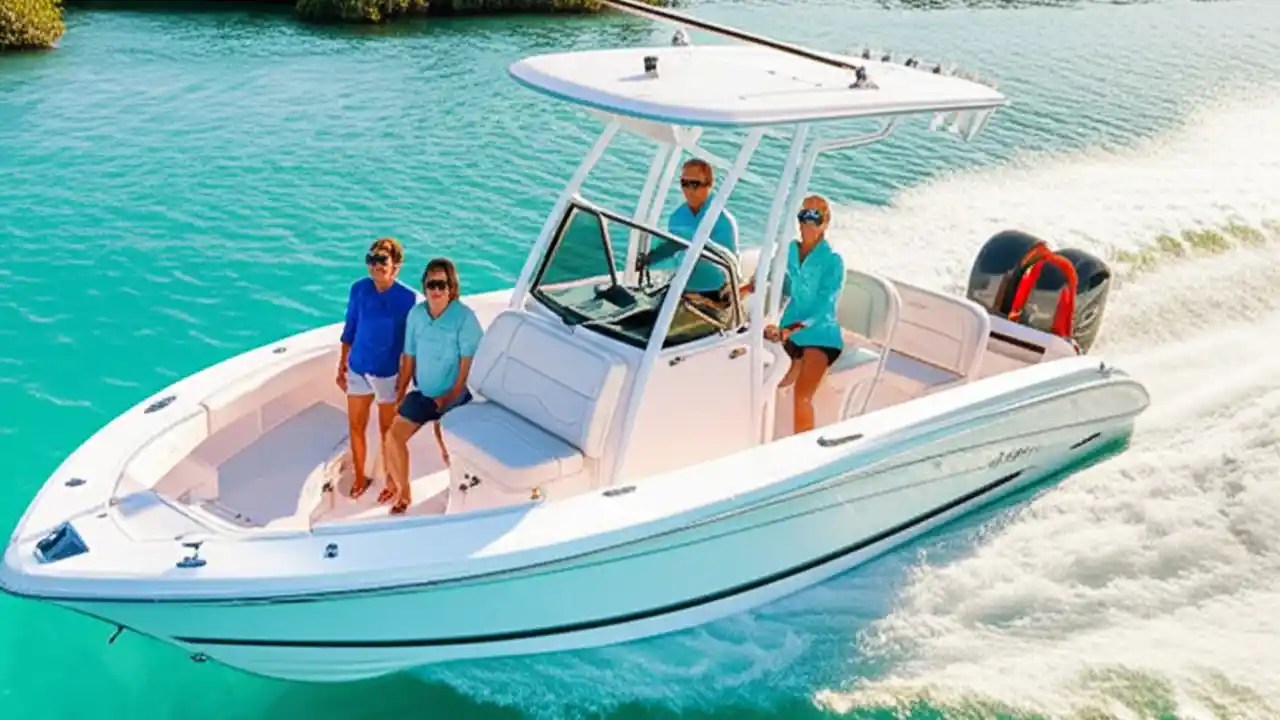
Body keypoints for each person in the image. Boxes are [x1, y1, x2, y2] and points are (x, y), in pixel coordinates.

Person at [382, 257, 483, 515]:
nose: (436, 290)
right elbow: (409, 356)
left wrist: (451, 395)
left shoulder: (465, 318)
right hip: (425, 393)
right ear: (424, 286)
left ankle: (459, 487)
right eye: (431, 284)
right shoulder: (416, 315)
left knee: (446, 439)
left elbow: (467, 362)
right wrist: (401, 390)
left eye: (442, 284)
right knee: (393, 436)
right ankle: (404, 494)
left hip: (455, 395)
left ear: (452, 287)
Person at [339, 238, 416, 500]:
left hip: (387, 376)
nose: (376, 266)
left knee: (387, 433)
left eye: (382, 260)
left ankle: (391, 482)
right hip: (358, 369)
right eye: (371, 260)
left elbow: (409, 345)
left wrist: (405, 381)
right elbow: (350, 327)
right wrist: (342, 365)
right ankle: (360, 477)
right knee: (356, 426)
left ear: (396, 265)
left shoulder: (407, 299)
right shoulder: (359, 289)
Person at [763, 195, 846, 434]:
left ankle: (802, 451)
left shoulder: (833, 261)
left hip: (820, 334)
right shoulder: (789, 251)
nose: (808, 222)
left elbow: (824, 307)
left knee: (802, 396)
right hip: (789, 332)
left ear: (825, 224)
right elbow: (773, 278)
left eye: (815, 217)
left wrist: (792, 329)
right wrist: (744, 290)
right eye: (804, 215)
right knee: (765, 381)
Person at [647, 158, 739, 307]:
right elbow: (672, 248)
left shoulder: (724, 222)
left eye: (694, 184)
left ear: (709, 185)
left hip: (713, 294)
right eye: (684, 184)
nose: (688, 190)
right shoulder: (676, 216)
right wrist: (649, 259)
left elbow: (730, 270)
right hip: (682, 286)